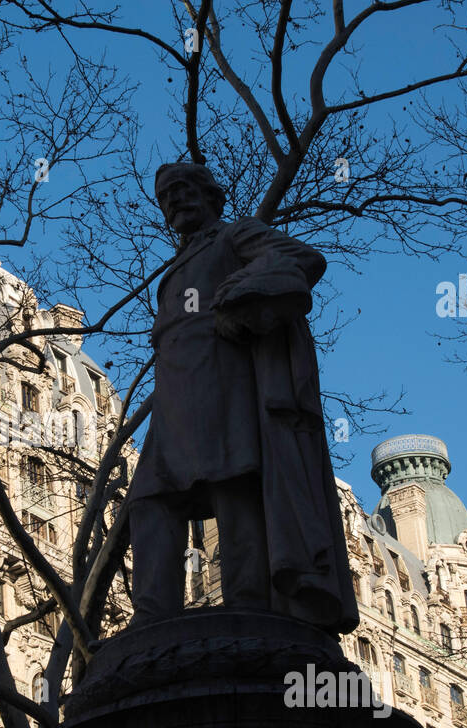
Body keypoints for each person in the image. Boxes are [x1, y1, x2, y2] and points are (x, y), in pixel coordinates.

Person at [126, 162, 358, 634]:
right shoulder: (175, 271)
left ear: (213, 196)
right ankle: (152, 620)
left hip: (223, 386)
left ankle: (250, 605)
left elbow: (302, 259)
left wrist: (243, 292)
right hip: (173, 400)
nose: (175, 201)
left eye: (184, 190)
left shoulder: (235, 236)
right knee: (149, 500)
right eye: (166, 196)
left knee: (232, 486)